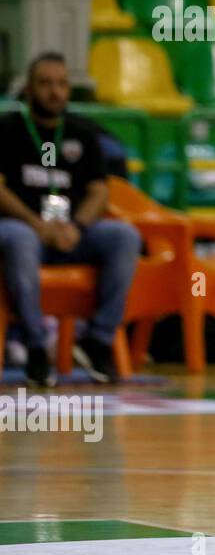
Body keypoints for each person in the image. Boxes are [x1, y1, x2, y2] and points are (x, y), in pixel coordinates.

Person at [0, 52, 141, 386]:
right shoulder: (7, 129)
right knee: (19, 238)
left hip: (70, 234)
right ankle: (35, 347)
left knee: (124, 236)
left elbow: (99, 192)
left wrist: (77, 228)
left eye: (62, 84)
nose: (55, 92)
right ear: (29, 90)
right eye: (45, 84)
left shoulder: (83, 133)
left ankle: (98, 341)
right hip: (22, 230)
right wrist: (38, 225)